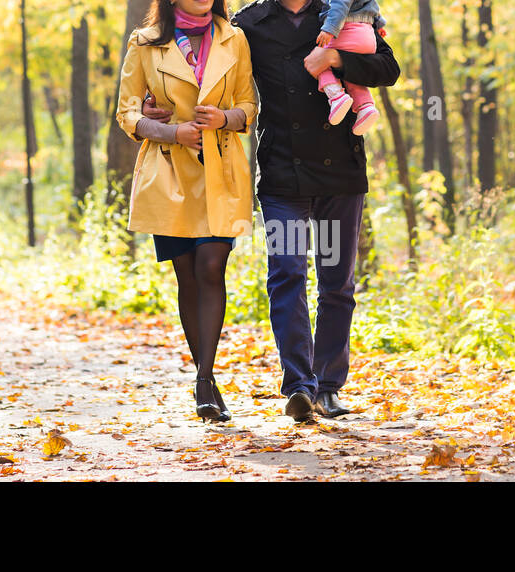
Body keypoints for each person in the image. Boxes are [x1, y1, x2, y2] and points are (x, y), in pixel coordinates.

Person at [146, 0, 399, 422]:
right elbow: (213, 75)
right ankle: (300, 385)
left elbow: (387, 69)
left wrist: (335, 56)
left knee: (336, 283)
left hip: (339, 176)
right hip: (283, 178)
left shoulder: (339, 12)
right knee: (287, 275)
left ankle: (329, 386)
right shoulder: (248, 25)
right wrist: (163, 110)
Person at [115, 0, 259, 423]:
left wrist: (225, 117)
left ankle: (203, 378)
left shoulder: (235, 38)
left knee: (212, 267)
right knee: (188, 275)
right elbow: (127, 112)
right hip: (170, 174)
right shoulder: (144, 43)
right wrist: (171, 130)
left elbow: (249, 106)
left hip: (221, 170)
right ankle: (208, 382)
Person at [312, 0, 386, 135]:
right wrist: (379, 25)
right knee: (348, 69)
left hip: (349, 30)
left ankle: (336, 96)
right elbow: (372, 5)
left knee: (319, 60)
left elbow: (340, 5)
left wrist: (329, 29)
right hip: (368, 35)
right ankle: (365, 106)